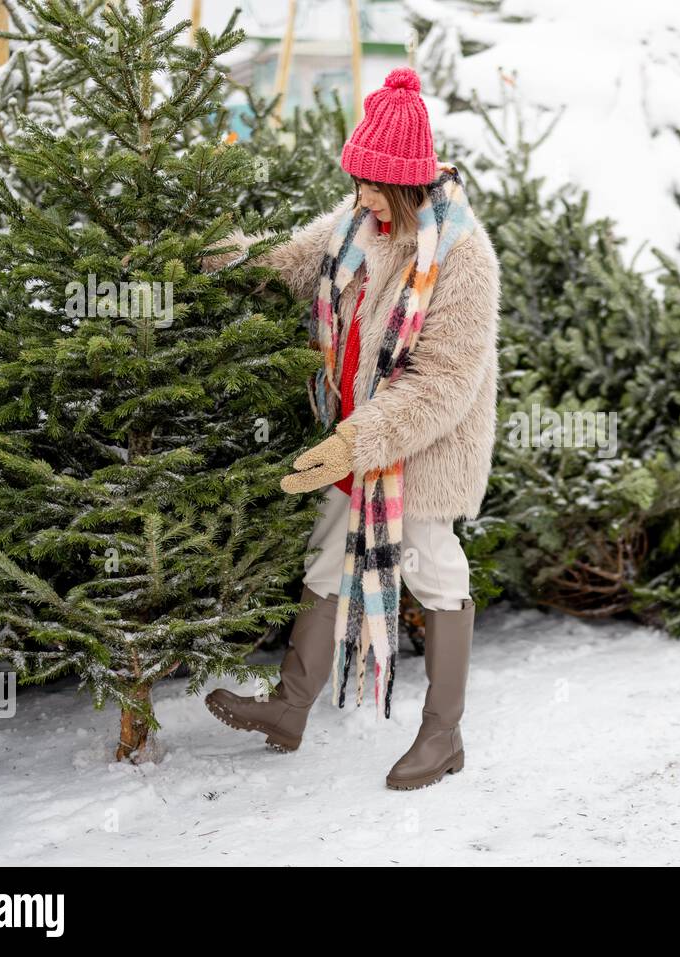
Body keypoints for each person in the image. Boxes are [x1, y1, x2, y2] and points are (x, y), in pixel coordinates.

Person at [202, 67, 500, 790]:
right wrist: (210, 256)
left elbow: (443, 385)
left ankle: (443, 734)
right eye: (357, 182)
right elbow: (298, 259)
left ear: (406, 183)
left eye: (372, 184)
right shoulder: (360, 221)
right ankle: (290, 708)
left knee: (434, 570)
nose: (360, 196)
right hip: (354, 439)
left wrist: (355, 440)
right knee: (327, 552)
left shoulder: (462, 258)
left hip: (418, 453)